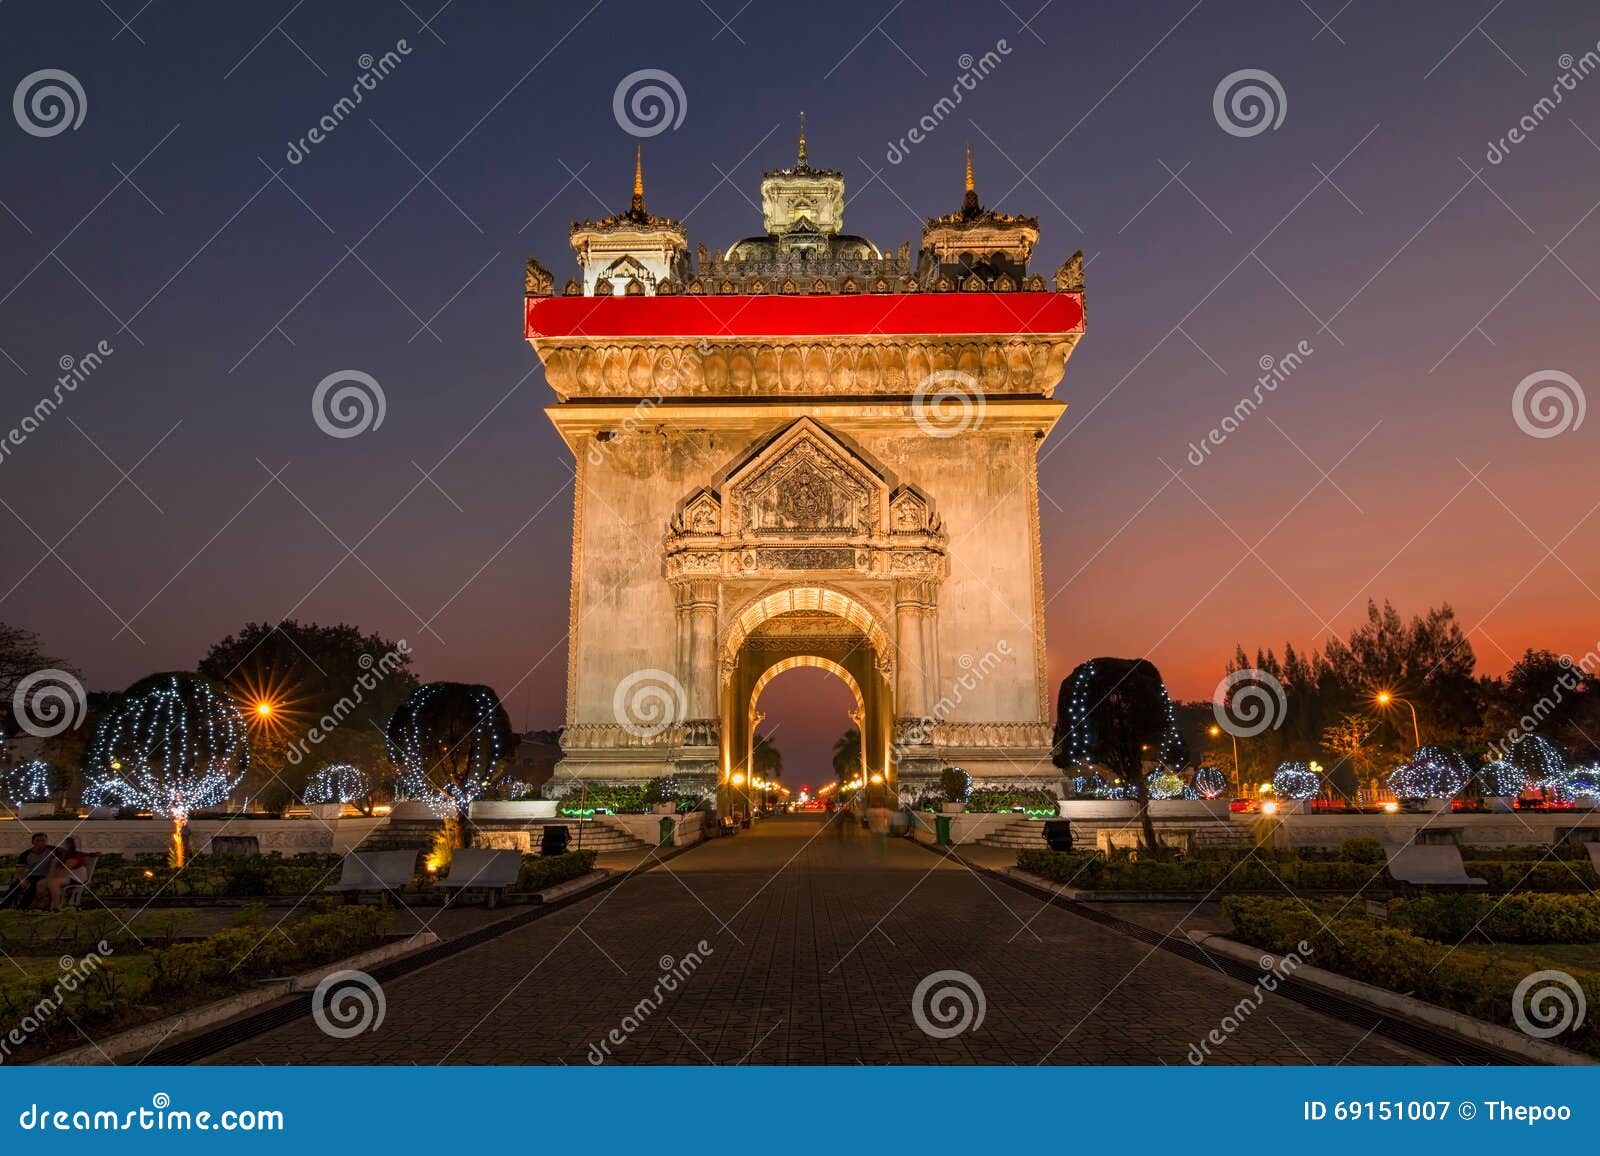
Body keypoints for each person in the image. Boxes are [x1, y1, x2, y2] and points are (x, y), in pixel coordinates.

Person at [2, 832, 55, 911]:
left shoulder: (52, 850)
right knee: (14, 886)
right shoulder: (26, 854)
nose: (40, 843)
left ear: (46, 841)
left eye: (43, 840)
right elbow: (20, 870)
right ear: (33, 842)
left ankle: (22, 908)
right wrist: (22, 880)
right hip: (30, 875)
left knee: (33, 887)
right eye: (38, 840)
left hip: (44, 876)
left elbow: (66, 852)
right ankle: (3, 906)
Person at [43, 837, 88, 911]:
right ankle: (39, 905)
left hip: (76, 878)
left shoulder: (76, 856)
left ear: (69, 845)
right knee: (41, 883)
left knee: (54, 883)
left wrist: (53, 876)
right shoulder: (59, 856)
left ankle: (55, 907)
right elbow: (52, 873)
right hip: (65, 877)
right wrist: (50, 876)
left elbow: (64, 872)